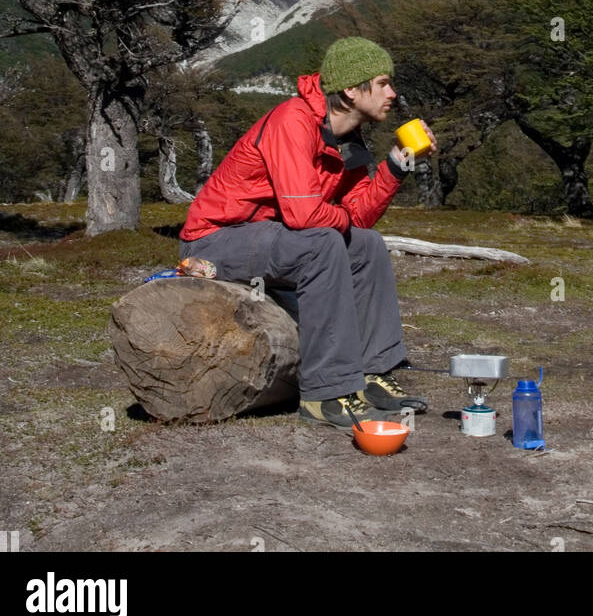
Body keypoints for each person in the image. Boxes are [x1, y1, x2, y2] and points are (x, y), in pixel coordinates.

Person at [178, 37, 436, 429]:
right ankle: (325, 394)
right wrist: (342, 220)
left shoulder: (347, 138)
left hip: (271, 238)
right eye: (383, 83)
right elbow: (304, 215)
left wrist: (396, 167)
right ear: (351, 90)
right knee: (322, 242)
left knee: (367, 246)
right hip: (216, 240)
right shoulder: (293, 120)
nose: (392, 93)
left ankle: (372, 373)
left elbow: (357, 219)